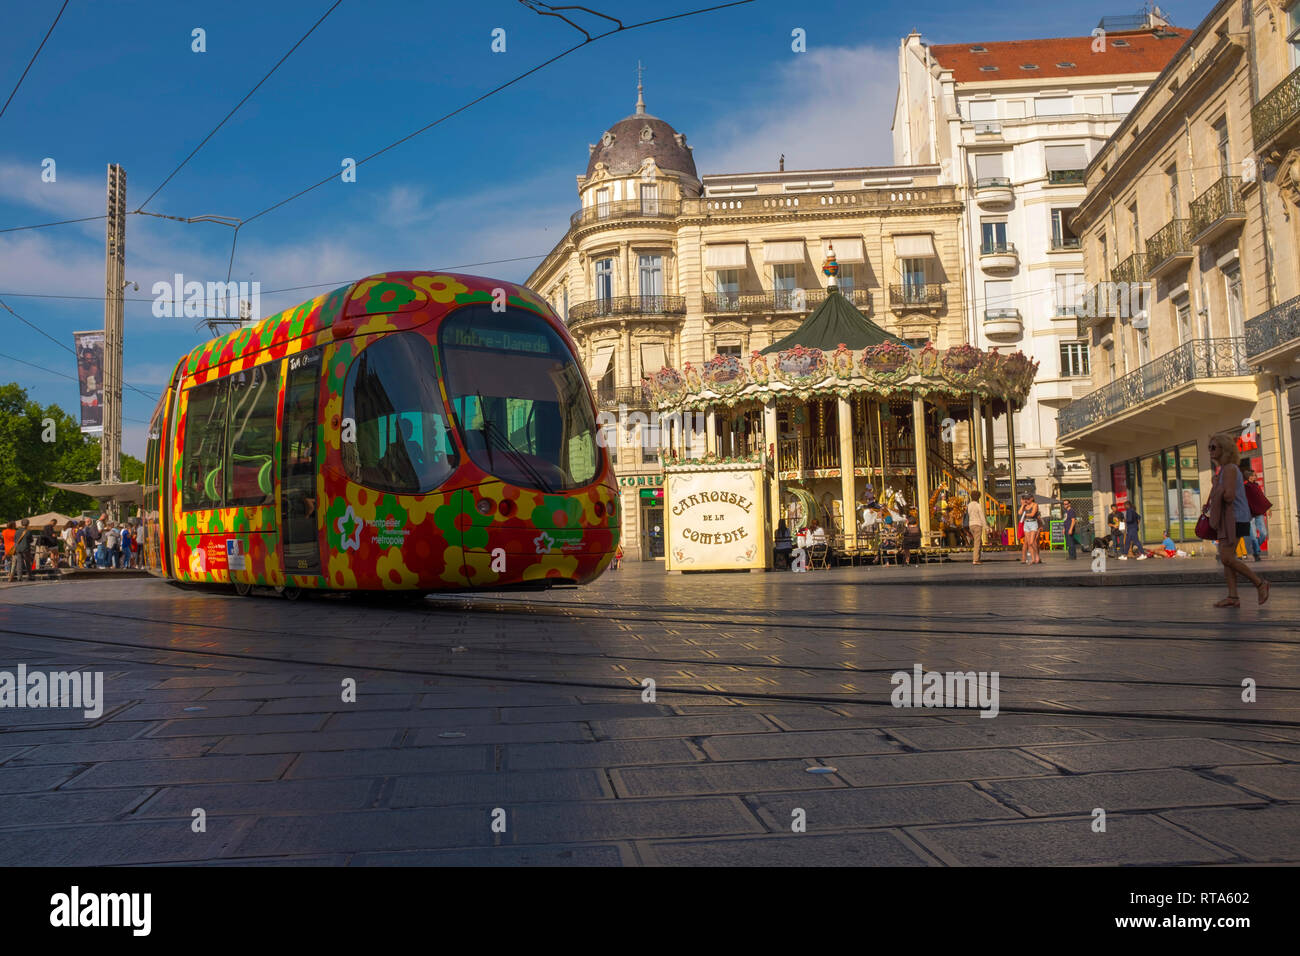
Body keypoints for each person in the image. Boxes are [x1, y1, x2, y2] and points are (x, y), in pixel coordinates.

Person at [1207, 431, 1268, 607]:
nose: (1210, 451)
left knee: (1227, 558)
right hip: (1229, 519)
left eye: (1213, 447)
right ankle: (1233, 597)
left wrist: (1217, 488)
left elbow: (1229, 496)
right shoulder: (1225, 469)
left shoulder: (1230, 469)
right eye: (1209, 447)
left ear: (1224, 449)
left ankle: (1260, 583)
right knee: (1226, 557)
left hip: (1235, 518)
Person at [967, 491, 986, 564]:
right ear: (978, 497)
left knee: (978, 541)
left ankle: (978, 557)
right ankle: (976, 559)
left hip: (971, 525)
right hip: (977, 524)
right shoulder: (978, 505)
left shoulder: (969, 505)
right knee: (977, 542)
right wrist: (986, 527)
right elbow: (982, 516)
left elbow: (968, 515)